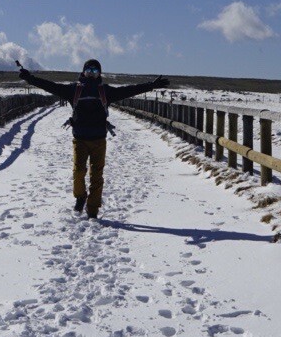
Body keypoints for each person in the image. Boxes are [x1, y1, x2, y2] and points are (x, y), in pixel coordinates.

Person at [17, 59, 168, 218]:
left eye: (95, 71)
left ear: (99, 74)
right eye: (88, 71)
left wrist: (151, 85)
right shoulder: (74, 90)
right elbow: (50, 86)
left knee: (97, 175)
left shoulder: (105, 91)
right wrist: (30, 78)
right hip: (80, 139)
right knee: (78, 172)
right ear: (83, 72)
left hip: (99, 140)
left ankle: (93, 210)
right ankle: (80, 196)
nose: (91, 74)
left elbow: (129, 90)